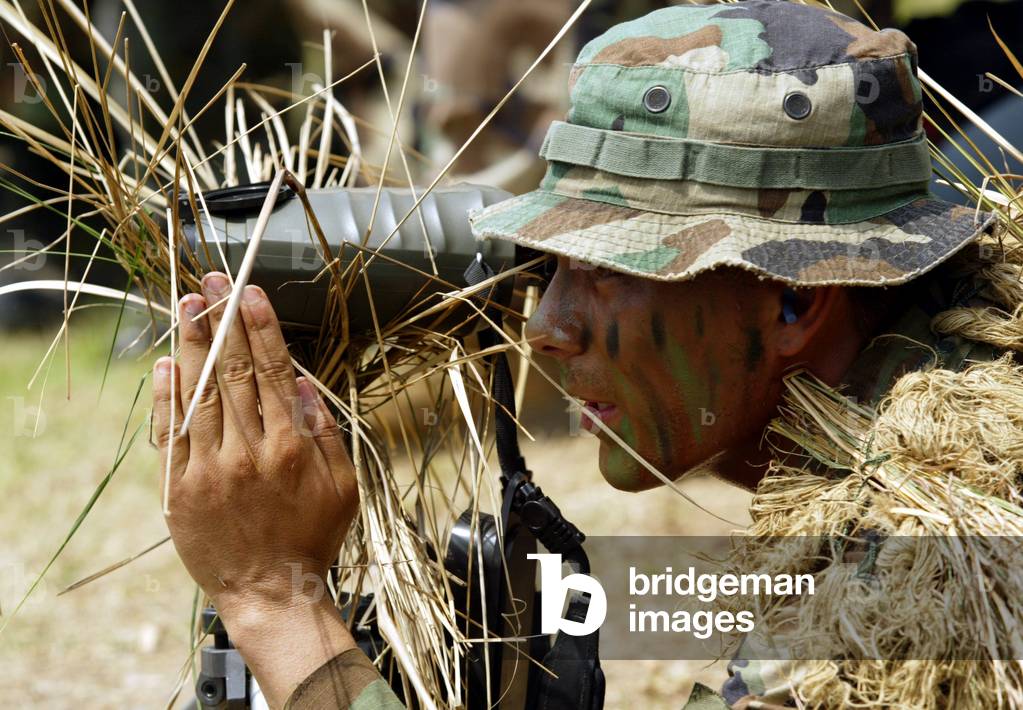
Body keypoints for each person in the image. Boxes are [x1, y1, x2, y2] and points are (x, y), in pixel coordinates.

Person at [151, 2, 1001, 708]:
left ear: (796, 296)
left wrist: (271, 602)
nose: (545, 325)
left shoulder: (919, 572)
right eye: (548, 266)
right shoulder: (959, 362)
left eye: (607, 270)